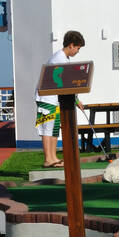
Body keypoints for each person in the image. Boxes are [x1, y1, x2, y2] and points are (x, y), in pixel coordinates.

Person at [35, 30, 88, 167]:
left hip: (54, 98)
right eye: (77, 48)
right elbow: (66, 81)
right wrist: (75, 99)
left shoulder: (64, 59)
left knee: (53, 128)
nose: (77, 51)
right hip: (46, 97)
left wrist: (76, 100)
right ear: (71, 45)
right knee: (47, 127)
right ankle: (48, 159)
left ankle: (53, 157)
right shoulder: (59, 59)